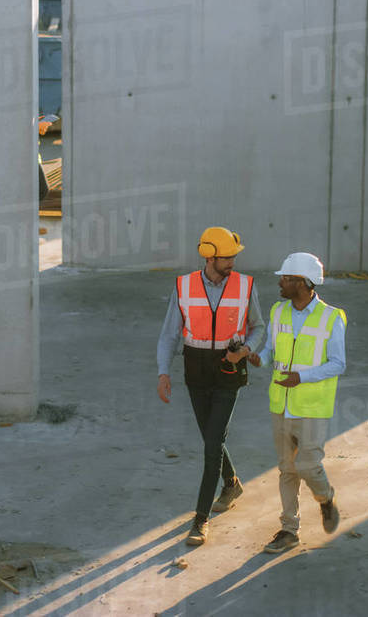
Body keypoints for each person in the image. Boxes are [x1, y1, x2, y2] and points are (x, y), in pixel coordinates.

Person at [157, 227, 265, 546]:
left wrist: (245, 350)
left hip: (229, 368)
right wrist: (164, 372)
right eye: (226, 256)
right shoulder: (184, 286)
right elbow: (169, 334)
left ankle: (200, 519)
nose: (232, 261)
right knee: (211, 438)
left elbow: (258, 326)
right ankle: (231, 483)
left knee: (211, 444)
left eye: (234, 255)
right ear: (209, 255)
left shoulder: (245, 286)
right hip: (196, 368)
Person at [251, 252, 347, 554]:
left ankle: (325, 498)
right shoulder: (278, 311)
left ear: (304, 283)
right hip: (280, 403)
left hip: (312, 407)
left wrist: (302, 378)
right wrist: (256, 358)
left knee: (308, 464)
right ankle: (288, 529)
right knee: (287, 469)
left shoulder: (332, 318)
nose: (280, 283)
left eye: (287, 279)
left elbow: (338, 363)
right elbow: (269, 350)